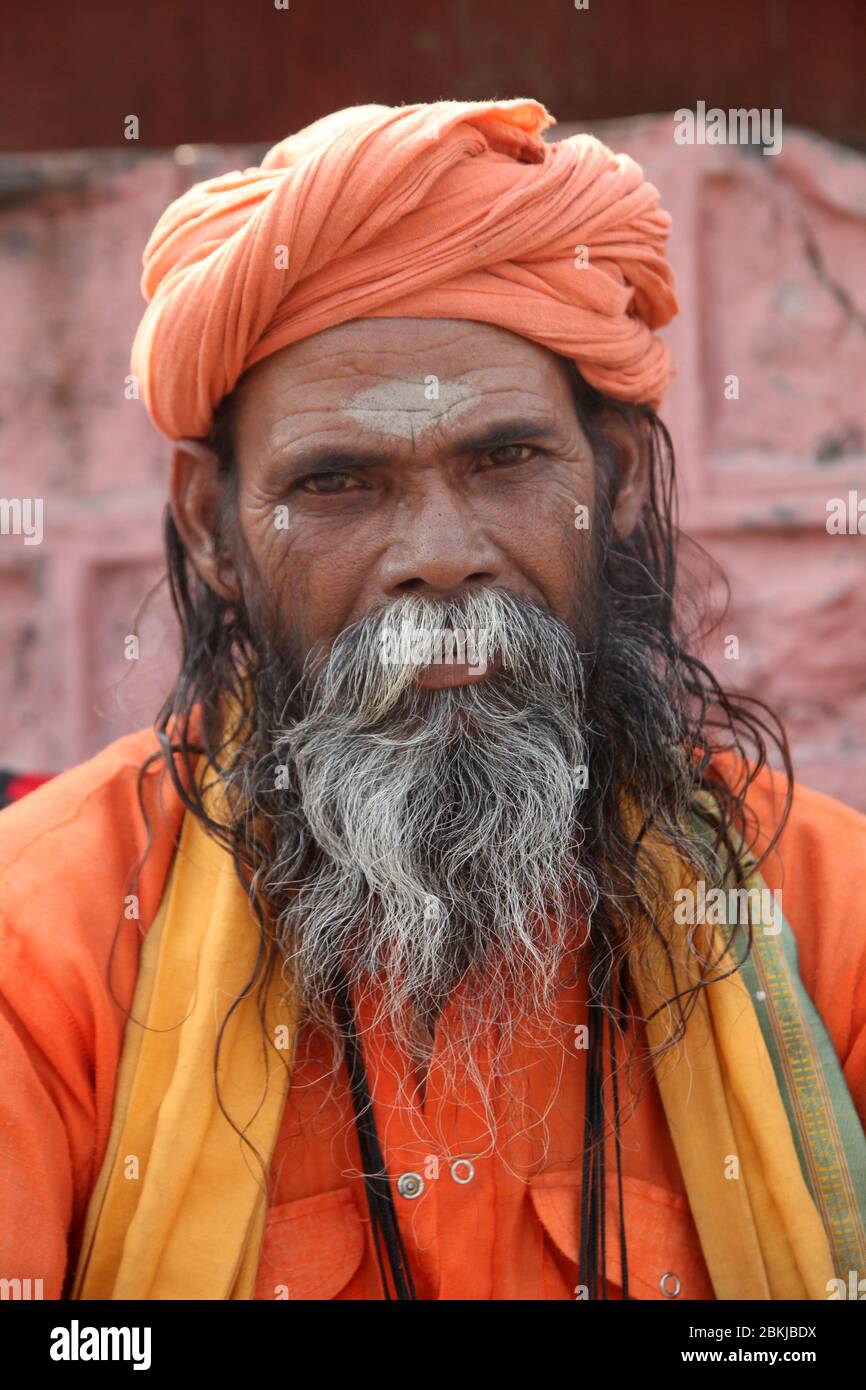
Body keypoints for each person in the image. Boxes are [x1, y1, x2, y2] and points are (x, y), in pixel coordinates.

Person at [1, 98, 864, 1302]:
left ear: (611, 478)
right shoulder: (38, 939)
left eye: (504, 461)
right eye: (339, 481)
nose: (442, 553)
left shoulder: (826, 915)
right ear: (211, 526)